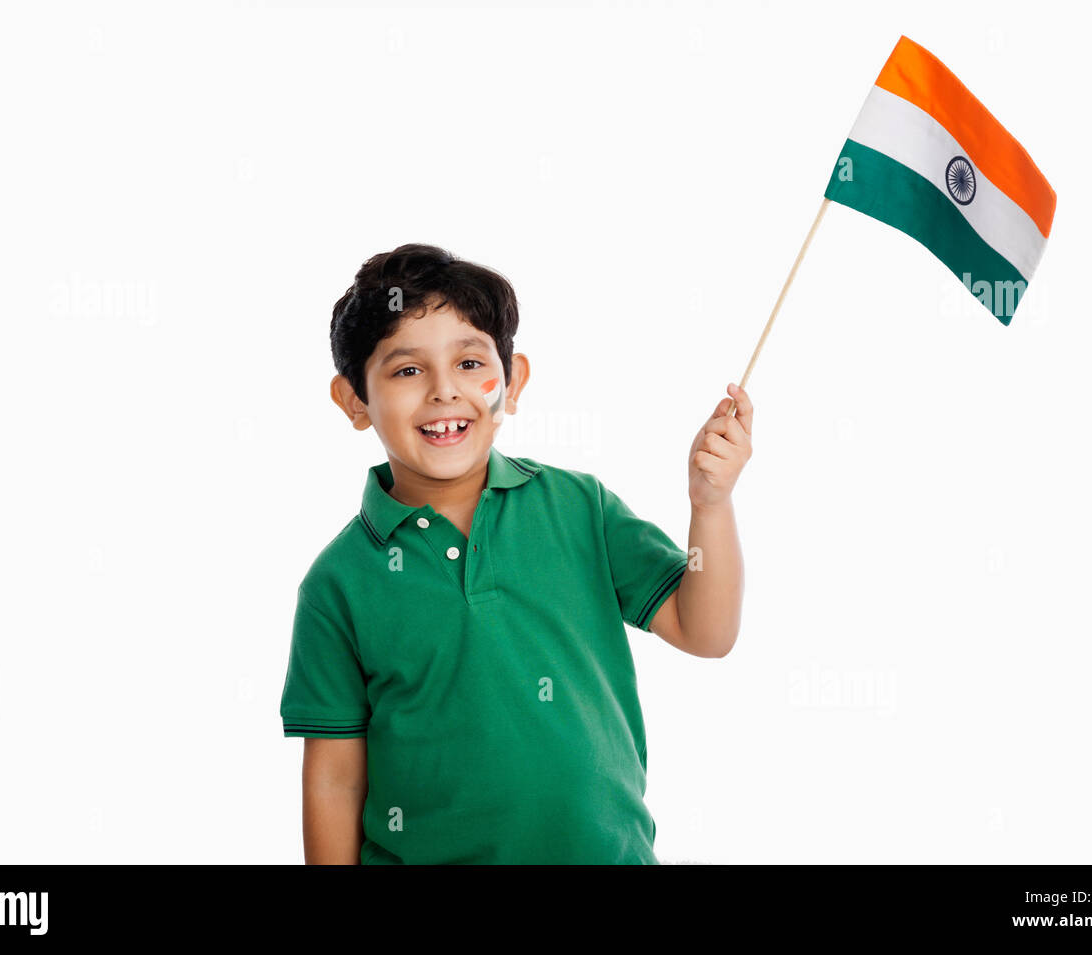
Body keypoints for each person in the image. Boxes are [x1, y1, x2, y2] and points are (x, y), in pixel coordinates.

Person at [280, 243, 750, 864]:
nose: (445, 392)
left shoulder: (580, 507)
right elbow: (335, 778)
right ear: (354, 401)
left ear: (513, 381)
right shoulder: (338, 583)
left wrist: (710, 504)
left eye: (471, 363)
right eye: (407, 371)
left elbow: (706, 631)